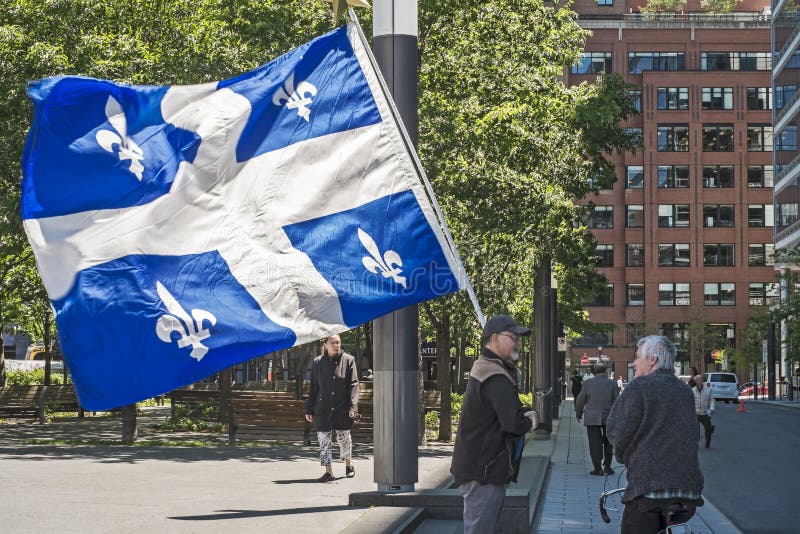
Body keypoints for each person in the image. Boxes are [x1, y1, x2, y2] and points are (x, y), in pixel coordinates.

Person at [607, 335, 703, 534]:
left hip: (648, 485)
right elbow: (693, 434)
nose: (634, 363)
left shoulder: (639, 386)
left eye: (637, 357)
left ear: (653, 359)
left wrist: (624, 457)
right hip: (687, 488)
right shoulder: (684, 391)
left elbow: (617, 431)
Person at [451, 315, 538, 534]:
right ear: (494, 338)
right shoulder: (494, 374)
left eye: (519, 338)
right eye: (513, 337)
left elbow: (504, 410)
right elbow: (512, 423)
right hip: (483, 472)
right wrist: (529, 420)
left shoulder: (490, 367)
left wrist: (523, 411)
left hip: (482, 468)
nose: (517, 341)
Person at [305, 334, 359, 482]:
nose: (337, 345)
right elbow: (314, 387)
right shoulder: (317, 362)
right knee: (323, 440)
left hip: (342, 407)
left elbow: (354, 385)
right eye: (333, 342)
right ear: (325, 344)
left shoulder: (348, 360)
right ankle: (329, 471)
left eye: (338, 342)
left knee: (344, 438)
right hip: (323, 408)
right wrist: (309, 409)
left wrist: (353, 406)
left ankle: (349, 464)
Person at [575, 363, 619, 475]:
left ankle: (597, 468)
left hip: (592, 417)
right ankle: (608, 467)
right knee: (609, 442)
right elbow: (618, 401)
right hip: (609, 416)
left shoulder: (588, 383)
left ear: (594, 372)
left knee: (594, 442)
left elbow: (580, 399)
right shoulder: (612, 383)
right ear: (606, 371)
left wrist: (578, 413)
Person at [693, 375, 715, 448]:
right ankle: (696, 444)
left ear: (702, 380)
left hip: (706, 412)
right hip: (696, 412)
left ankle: (707, 443)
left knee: (708, 429)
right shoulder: (693, 390)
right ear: (695, 381)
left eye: (700, 379)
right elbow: (691, 401)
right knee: (696, 430)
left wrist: (712, 408)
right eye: (697, 380)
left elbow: (712, 400)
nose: (699, 381)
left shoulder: (708, 390)